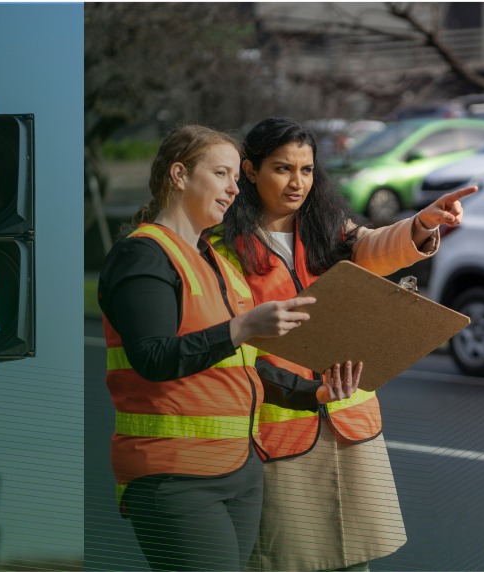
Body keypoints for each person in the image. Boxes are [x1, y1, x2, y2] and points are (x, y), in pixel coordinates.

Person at [209, 117, 476, 572]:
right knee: (286, 562)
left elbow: (374, 247)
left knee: (356, 561)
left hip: (349, 423)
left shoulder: (327, 227)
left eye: (307, 170)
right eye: (282, 169)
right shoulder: (222, 246)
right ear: (249, 171)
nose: (298, 183)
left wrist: (422, 224)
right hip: (279, 431)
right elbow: (232, 346)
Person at [98, 124, 364, 572]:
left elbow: (241, 366)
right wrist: (242, 327)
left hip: (239, 469)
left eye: (234, 179)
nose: (234, 188)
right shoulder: (143, 255)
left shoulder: (215, 259)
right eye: (222, 174)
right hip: (174, 473)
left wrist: (311, 394)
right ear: (179, 175)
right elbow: (154, 359)